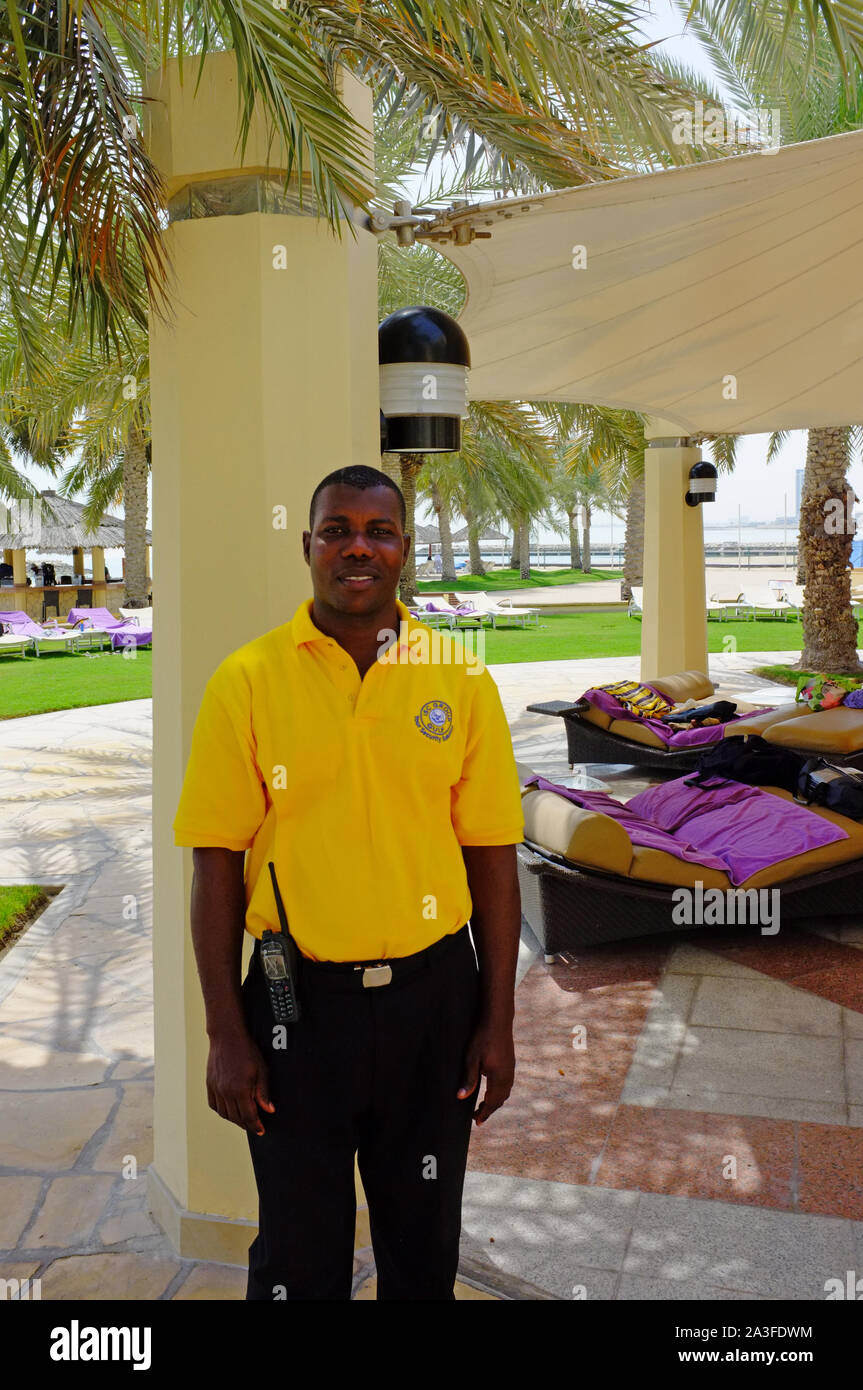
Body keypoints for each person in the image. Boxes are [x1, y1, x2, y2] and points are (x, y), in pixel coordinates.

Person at [172, 463, 525, 1301]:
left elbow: (493, 855)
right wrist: (226, 1031)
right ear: (308, 546)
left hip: (435, 1001)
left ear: (406, 549)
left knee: (423, 1245)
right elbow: (215, 858)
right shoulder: (247, 681)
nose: (357, 547)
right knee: (297, 1256)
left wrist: (498, 1019)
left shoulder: (461, 679)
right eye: (337, 530)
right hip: (297, 1011)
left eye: (379, 531)